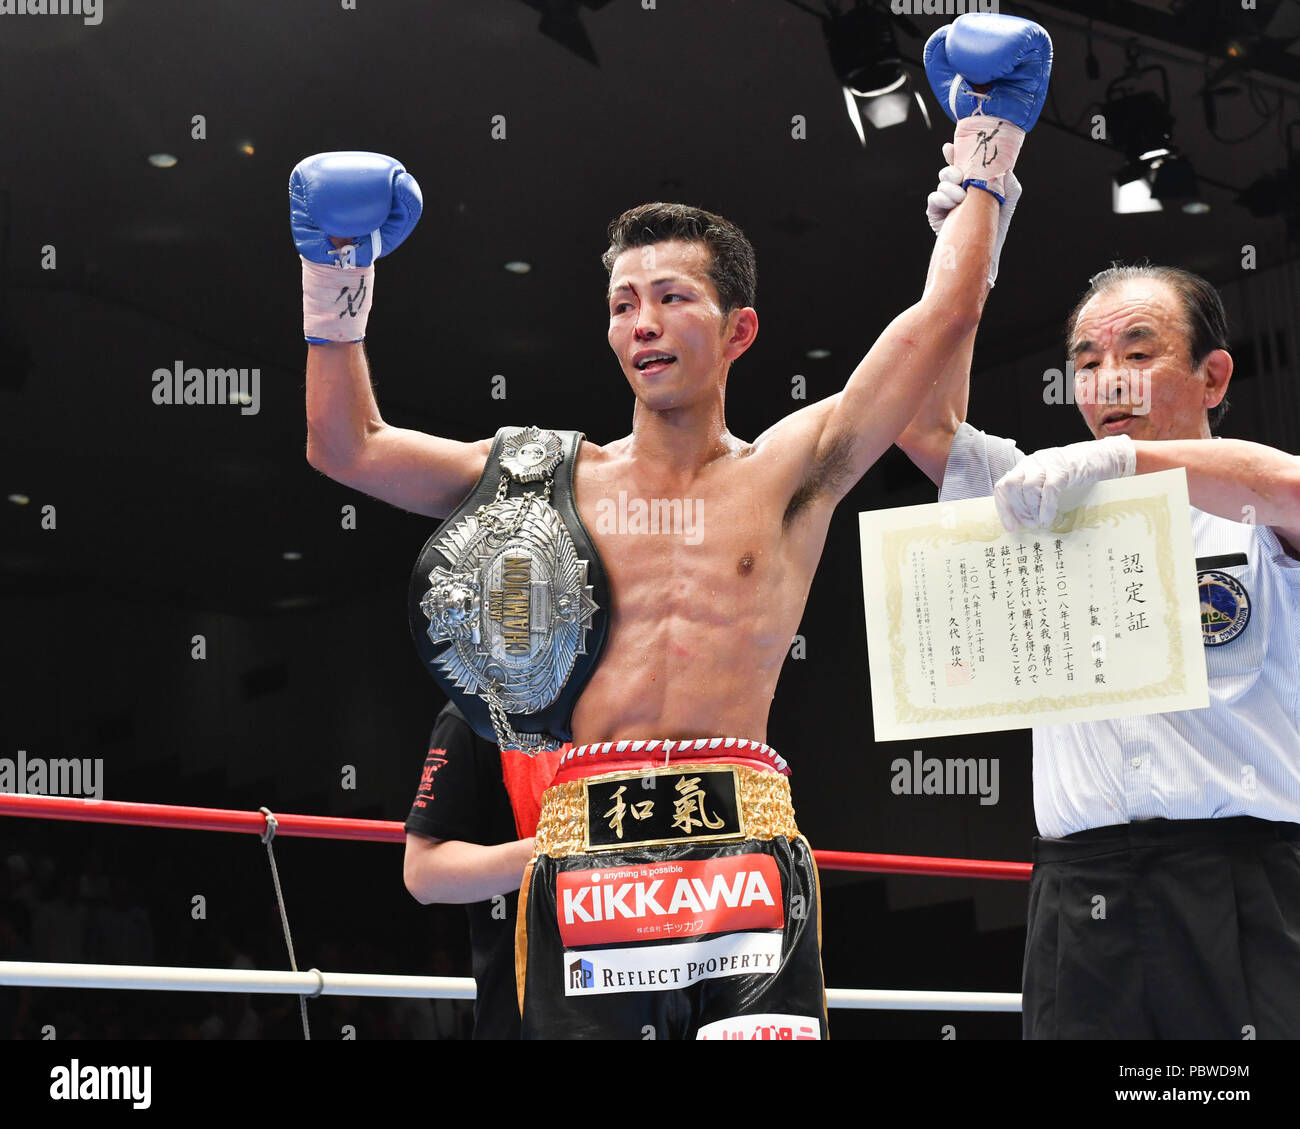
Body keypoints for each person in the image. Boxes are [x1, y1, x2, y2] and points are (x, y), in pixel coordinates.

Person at [295, 13, 1050, 1039]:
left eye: (669, 296)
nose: (640, 322)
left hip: (739, 846)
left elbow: (939, 316)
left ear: (737, 328)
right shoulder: (541, 475)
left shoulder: (792, 468)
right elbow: (350, 447)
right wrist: (336, 272)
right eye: (620, 303)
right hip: (584, 856)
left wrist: (985, 143)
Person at [900, 174, 1300, 1037]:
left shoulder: (1259, 505)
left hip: (1240, 877)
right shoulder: (1045, 494)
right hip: (1082, 890)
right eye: (1086, 361)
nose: (1107, 381)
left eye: (1138, 352)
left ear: (1213, 374)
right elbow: (920, 420)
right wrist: (968, 255)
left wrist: (1124, 467)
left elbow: (1291, 487)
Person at [402, 700, 561, 1039]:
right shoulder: (473, 715)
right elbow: (422, 873)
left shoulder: (622, 703)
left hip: (636, 992)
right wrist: (555, 849)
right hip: (521, 1011)